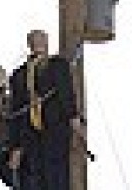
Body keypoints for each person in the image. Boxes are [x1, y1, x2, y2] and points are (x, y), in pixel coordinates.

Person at [7, 29, 83, 190]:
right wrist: (16, 145)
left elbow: (66, 93)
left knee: (48, 176)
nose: (39, 44)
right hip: (39, 132)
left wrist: (73, 117)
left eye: (41, 40)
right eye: (37, 41)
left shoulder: (55, 66)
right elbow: (16, 112)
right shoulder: (21, 75)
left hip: (47, 131)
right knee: (47, 176)